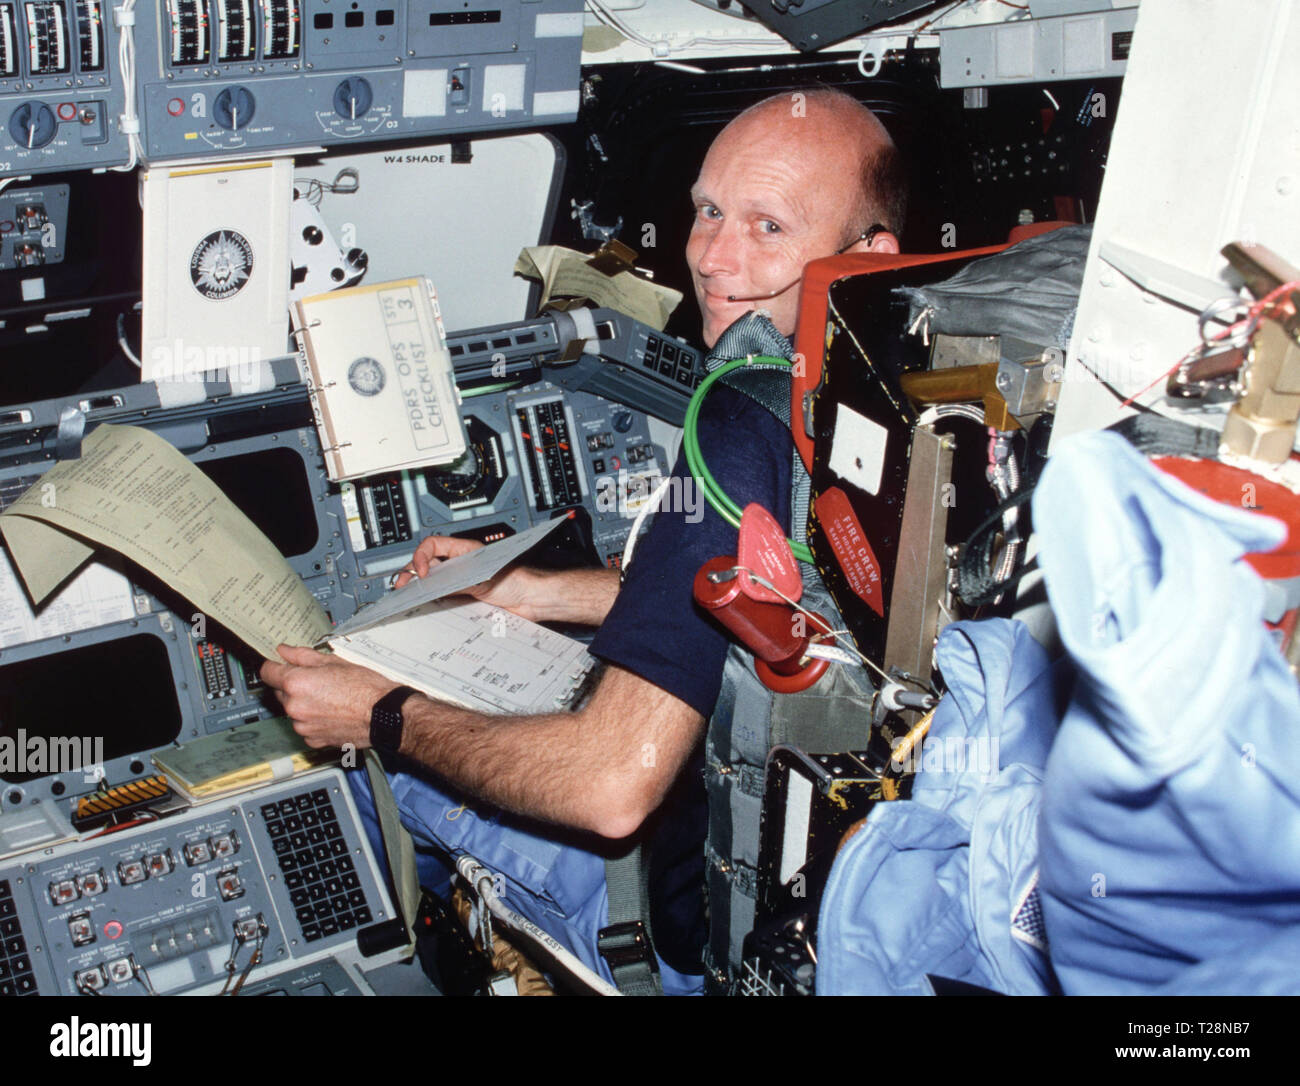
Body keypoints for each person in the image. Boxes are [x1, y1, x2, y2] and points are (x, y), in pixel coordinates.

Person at [261, 85, 907, 992]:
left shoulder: (740, 416)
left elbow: (610, 789)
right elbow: (785, 595)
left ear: (867, 256)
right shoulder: (894, 413)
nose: (714, 258)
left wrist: (375, 713)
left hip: (697, 926)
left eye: (770, 228)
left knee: (372, 779)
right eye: (710, 210)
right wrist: (532, 593)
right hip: (846, 909)